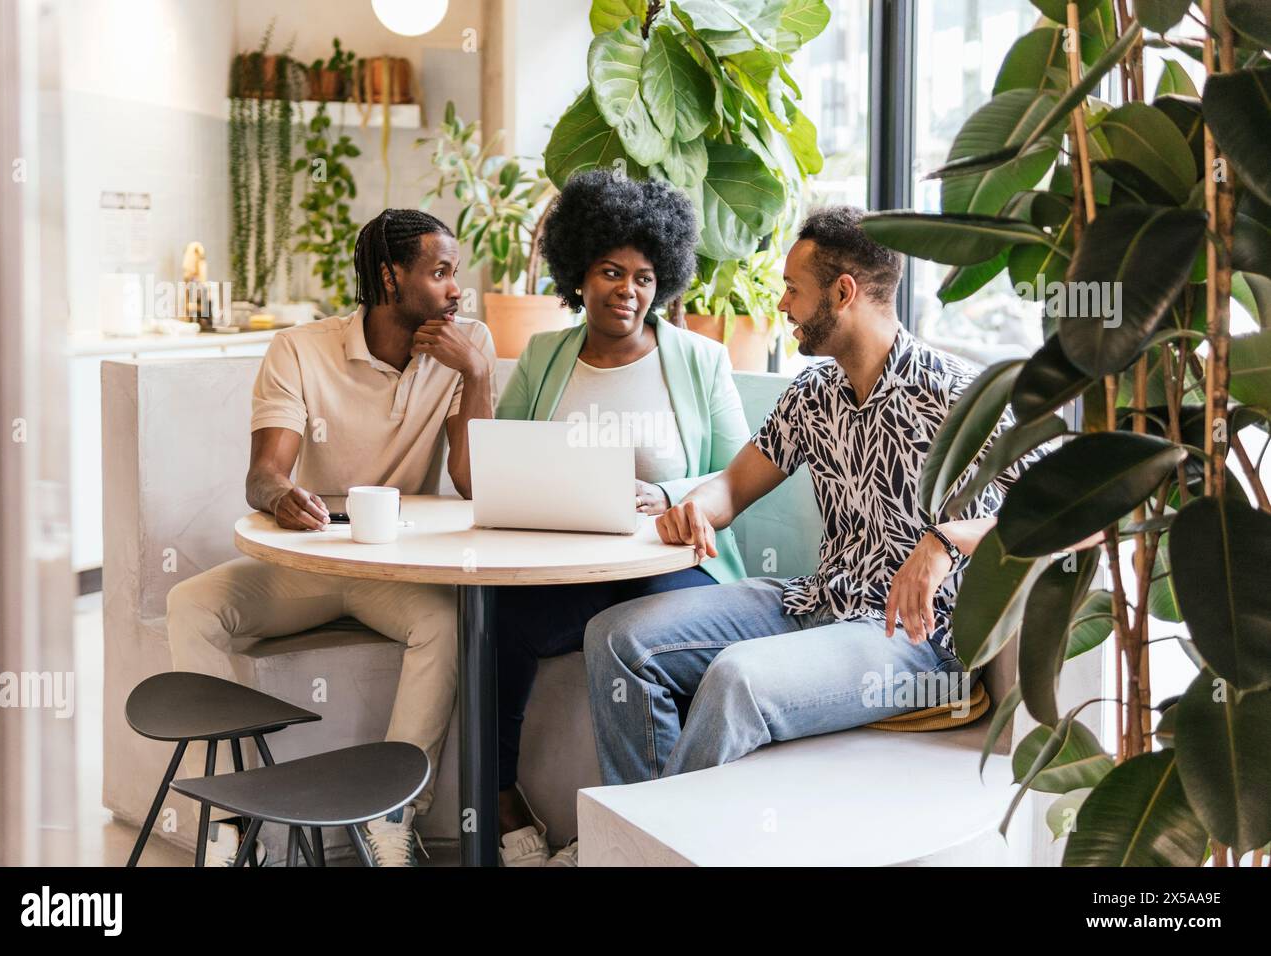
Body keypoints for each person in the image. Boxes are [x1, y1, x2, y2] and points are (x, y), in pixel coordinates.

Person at [584, 205, 1038, 785]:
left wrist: (947, 540)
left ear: (843, 292)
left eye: (792, 290)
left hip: (916, 640)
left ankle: (652, 847)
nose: (781, 306)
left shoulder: (959, 395)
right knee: (617, 638)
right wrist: (697, 507)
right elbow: (732, 484)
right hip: (816, 600)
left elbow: (1071, 512)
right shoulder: (814, 392)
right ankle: (646, 840)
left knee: (736, 677)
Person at [166, 209, 495, 865]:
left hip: (396, 573)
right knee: (192, 604)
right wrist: (284, 498)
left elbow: (473, 483)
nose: (456, 288)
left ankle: (394, 821)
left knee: (444, 624)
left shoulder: (468, 345)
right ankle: (231, 826)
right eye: (439, 272)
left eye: (455, 272)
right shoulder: (300, 349)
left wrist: (477, 374)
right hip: (312, 562)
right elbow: (263, 474)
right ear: (389, 275)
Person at [492, 171, 750, 866]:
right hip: (568, 570)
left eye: (642, 275)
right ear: (579, 272)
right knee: (495, 623)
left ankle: (646, 834)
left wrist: (667, 495)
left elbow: (740, 473)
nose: (627, 290)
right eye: (610, 271)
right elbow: (503, 454)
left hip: (672, 570)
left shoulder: (700, 359)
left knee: (634, 638)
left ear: (662, 279)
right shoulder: (545, 356)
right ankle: (500, 802)